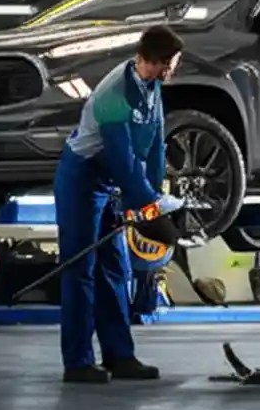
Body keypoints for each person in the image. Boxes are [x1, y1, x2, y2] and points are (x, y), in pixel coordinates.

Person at [53, 25, 185, 384]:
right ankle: (77, 362)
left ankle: (119, 355)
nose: (167, 73)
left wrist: (157, 195)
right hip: (82, 179)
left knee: (114, 267)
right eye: (161, 65)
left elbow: (156, 143)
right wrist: (149, 208)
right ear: (142, 59)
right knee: (81, 268)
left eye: (170, 65)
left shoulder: (152, 87)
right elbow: (123, 162)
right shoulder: (114, 94)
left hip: (111, 181)